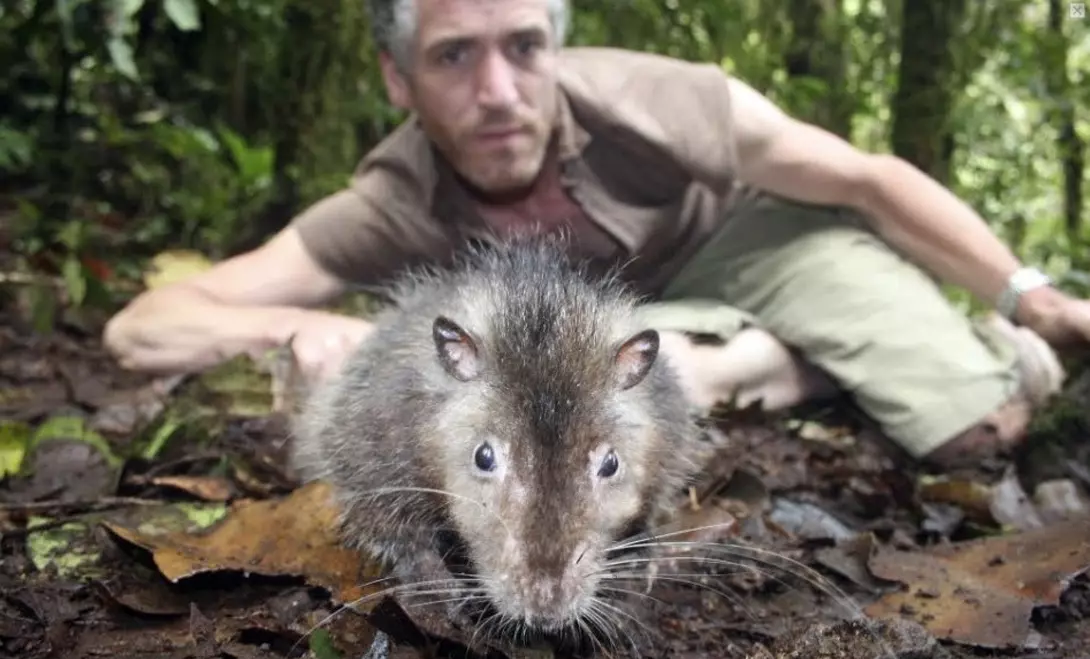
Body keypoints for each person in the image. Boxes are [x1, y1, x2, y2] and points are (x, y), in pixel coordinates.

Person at [103, 0, 1087, 472]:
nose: (498, 93)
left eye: (523, 48)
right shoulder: (394, 196)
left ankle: (1005, 352)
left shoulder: (652, 102)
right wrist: (286, 329)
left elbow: (867, 179)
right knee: (559, 395)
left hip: (753, 245)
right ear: (398, 82)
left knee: (980, 438)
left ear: (556, 48)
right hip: (625, 325)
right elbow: (144, 325)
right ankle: (791, 364)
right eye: (453, 57)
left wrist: (1025, 290)